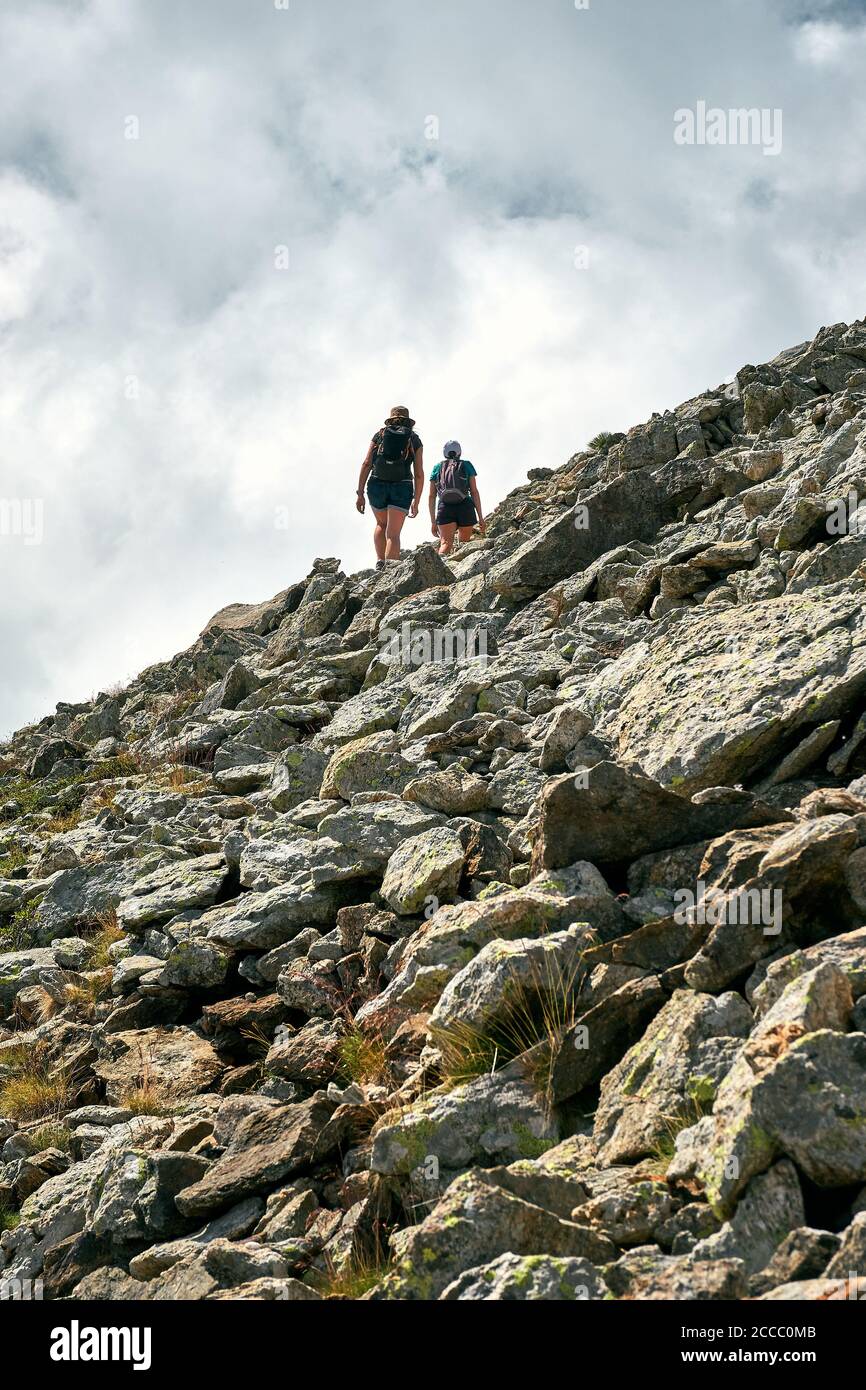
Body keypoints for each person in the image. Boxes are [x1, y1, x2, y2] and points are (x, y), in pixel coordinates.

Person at [356, 407, 424, 566]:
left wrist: (360, 493)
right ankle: (390, 571)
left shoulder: (379, 435)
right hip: (402, 486)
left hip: (376, 485)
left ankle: (380, 562)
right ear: (409, 422)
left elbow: (367, 463)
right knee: (393, 534)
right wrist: (417, 500)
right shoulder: (414, 439)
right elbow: (419, 473)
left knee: (381, 524)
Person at [429, 440, 484, 556]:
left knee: (445, 543)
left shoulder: (437, 468)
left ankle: (439, 569)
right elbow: (474, 492)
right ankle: (459, 565)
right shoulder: (466, 465)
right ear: (459, 452)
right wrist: (480, 517)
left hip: (444, 507)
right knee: (463, 544)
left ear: (445, 453)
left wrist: (433, 522)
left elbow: (431, 496)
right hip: (465, 506)